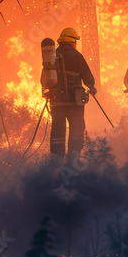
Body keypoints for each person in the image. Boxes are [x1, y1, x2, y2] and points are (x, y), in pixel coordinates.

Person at [45, 27, 97, 164]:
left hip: (57, 101)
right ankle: (73, 159)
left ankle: (56, 160)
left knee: (57, 130)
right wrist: (91, 86)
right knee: (77, 129)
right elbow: (87, 75)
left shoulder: (52, 55)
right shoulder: (76, 55)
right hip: (74, 102)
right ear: (73, 41)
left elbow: (44, 76)